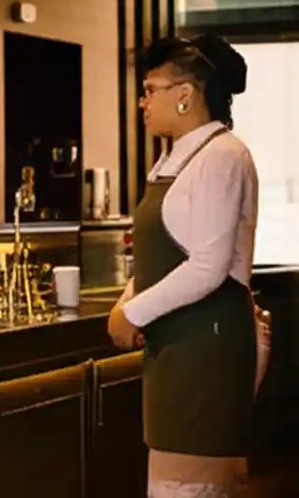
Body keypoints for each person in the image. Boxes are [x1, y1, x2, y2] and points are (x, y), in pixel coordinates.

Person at [107, 35, 259, 498]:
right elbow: (161, 256)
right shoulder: (174, 157)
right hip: (173, 345)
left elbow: (208, 266)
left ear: (186, 94)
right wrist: (129, 297)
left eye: (151, 89)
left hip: (205, 345)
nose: (142, 101)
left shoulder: (222, 155)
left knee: (189, 488)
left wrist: (134, 312)